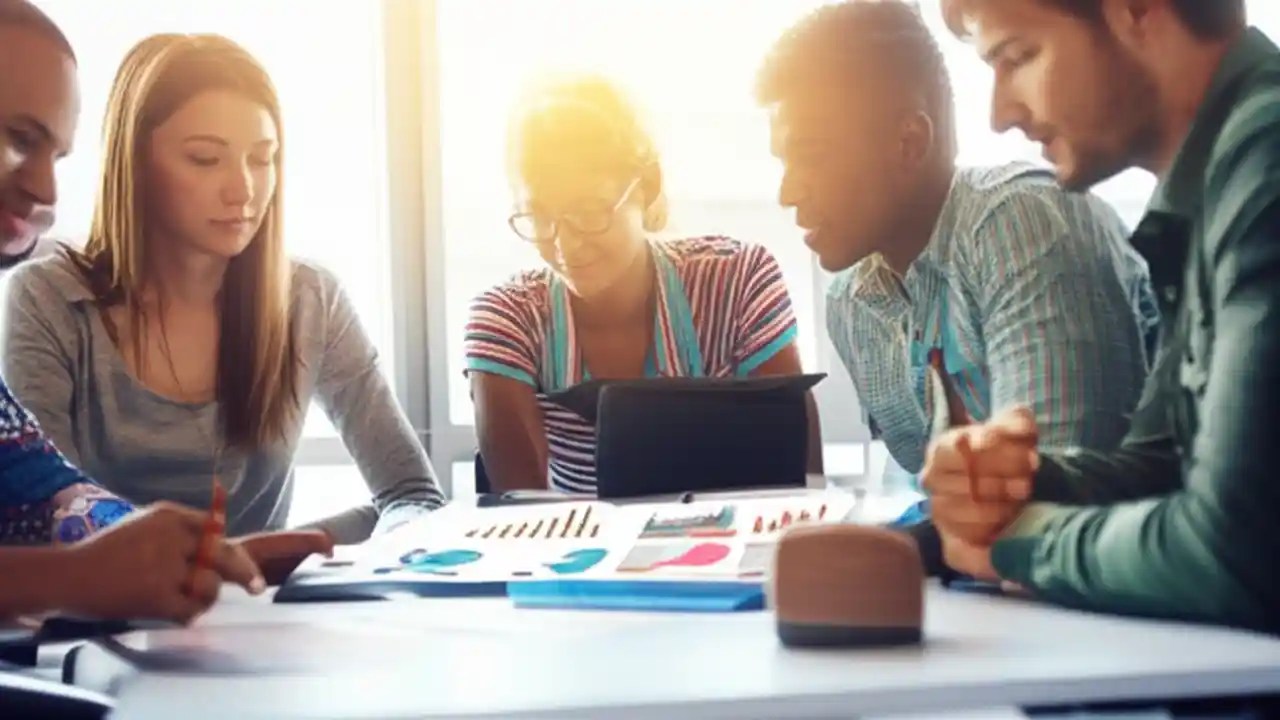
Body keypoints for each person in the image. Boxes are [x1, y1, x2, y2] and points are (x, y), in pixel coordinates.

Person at [2, 32, 443, 545]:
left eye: (262, 158)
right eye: (206, 159)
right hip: (105, 596)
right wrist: (233, 560)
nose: (243, 190)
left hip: (265, 596)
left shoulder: (310, 299)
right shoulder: (49, 299)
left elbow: (412, 493)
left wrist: (293, 553)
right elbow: (42, 515)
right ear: (135, 163)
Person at [923, 0, 1280, 633]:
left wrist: (1016, 543)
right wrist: (1009, 483)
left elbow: (1240, 547)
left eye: (1019, 57)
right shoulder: (1213, 181)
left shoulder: (1267, 160)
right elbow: (1164, 468)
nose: (1000, 114)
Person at [755, 0, 1159, 507]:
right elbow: (942, 500)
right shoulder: (852, 305)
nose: (788, 192)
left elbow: (1052, 508)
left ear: (909, 143)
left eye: (811, 156)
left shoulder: (1023, 222)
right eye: (784, 163)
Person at [0, 0, 313, 624]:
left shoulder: (309, 294)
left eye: (56, 157)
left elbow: (47, 495)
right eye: (17, 141)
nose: (45, 189)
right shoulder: (48, 295)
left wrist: (205, 560)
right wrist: (77, 577)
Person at [465, 74, 822, 495]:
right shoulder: (508, 319)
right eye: (540, 217)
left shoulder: (738, 281)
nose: (565, 245)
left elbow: (798, 483)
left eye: (589, 211)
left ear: (647, 186)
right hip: (579, 536)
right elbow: (522, 508)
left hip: (735, 532)